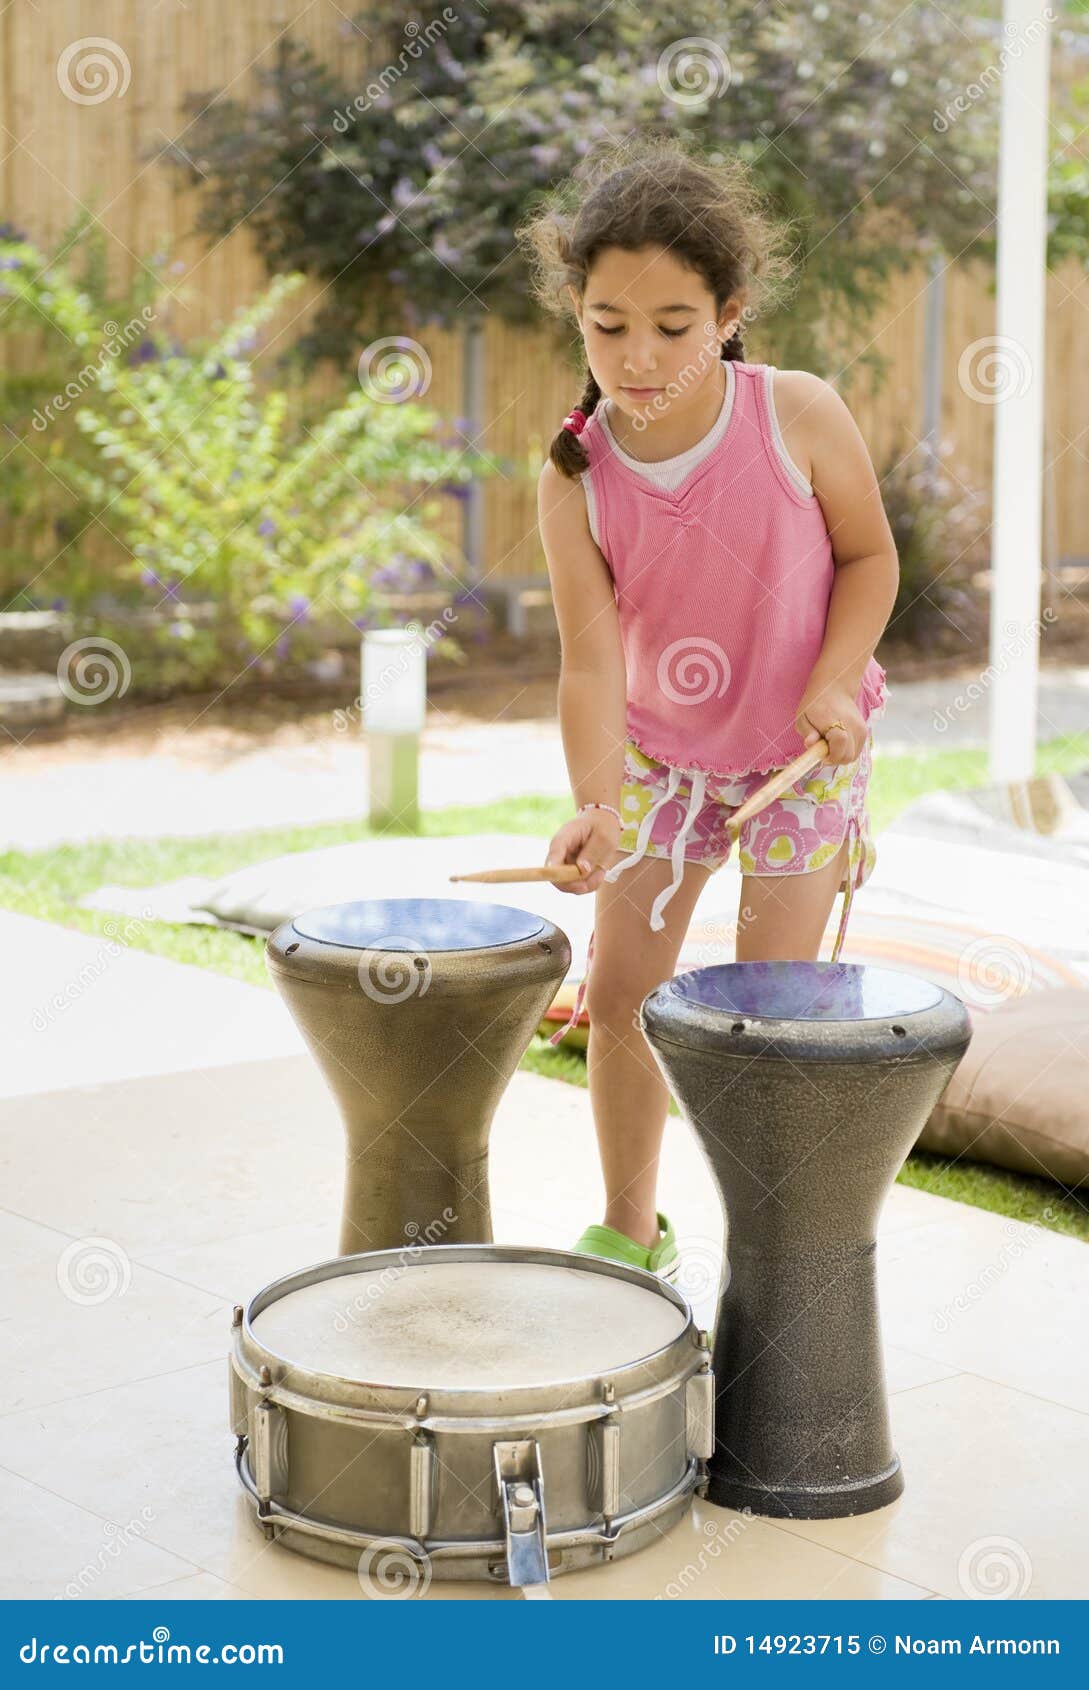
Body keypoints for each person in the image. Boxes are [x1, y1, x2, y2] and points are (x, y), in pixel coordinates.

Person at [516, 137, 899, 1279]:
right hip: (664, 765)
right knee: (625, 992)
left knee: (761, 1008)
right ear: (576, 314)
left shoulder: (799, 414)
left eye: (673, 327)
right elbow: (590, 666)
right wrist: (598, 805)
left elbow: (872, 559)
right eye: (608, 323)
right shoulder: (575, 472)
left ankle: (774, 1245)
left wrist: (833, 683)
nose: (640, 357)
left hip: (803, 757)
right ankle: (633, 1232)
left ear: (730, 314)